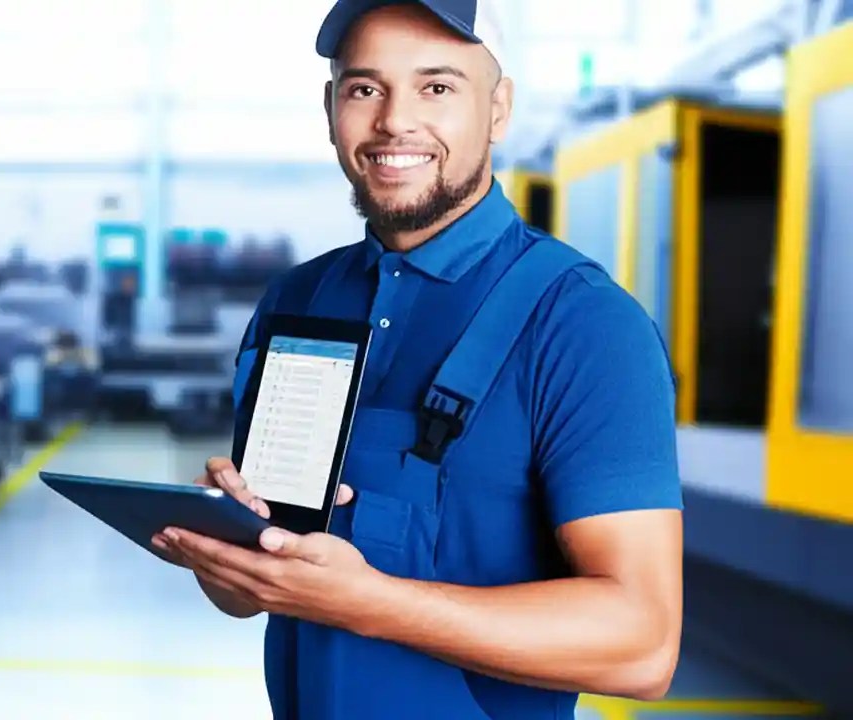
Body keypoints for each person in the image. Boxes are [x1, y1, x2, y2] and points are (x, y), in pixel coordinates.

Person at [152, 0, 685, 718]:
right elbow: (257, 590)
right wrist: (225, 555)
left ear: (497, 109)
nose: (394, 120)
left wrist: (369, 603)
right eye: (364, 88)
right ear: (330, 109)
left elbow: (642, 646)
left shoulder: (585, 324)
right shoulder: (296, 301)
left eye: (436, 87)